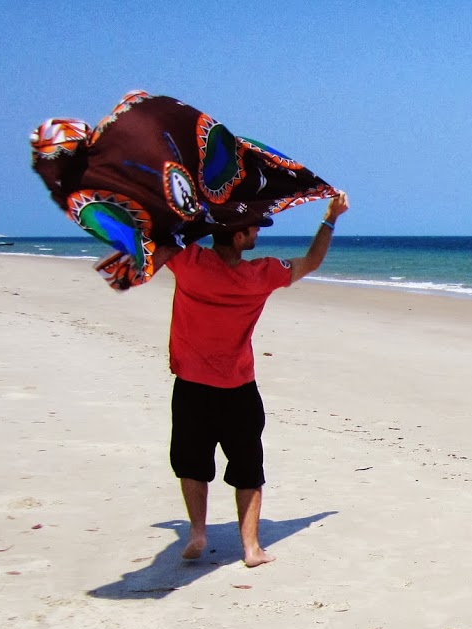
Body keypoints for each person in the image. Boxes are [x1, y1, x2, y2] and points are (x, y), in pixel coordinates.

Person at [143, 192, 350, 567]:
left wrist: (182, 208)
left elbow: (156, 237)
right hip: (238, 388)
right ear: (239, 237)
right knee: (248, 467)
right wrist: (330, 218)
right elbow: (313, 260)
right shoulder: (262, 274)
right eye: (253, 227)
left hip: (191, 386)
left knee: (192, 463)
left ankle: (196, 533)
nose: (257, 231)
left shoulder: (188, 261)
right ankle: (251, 547)